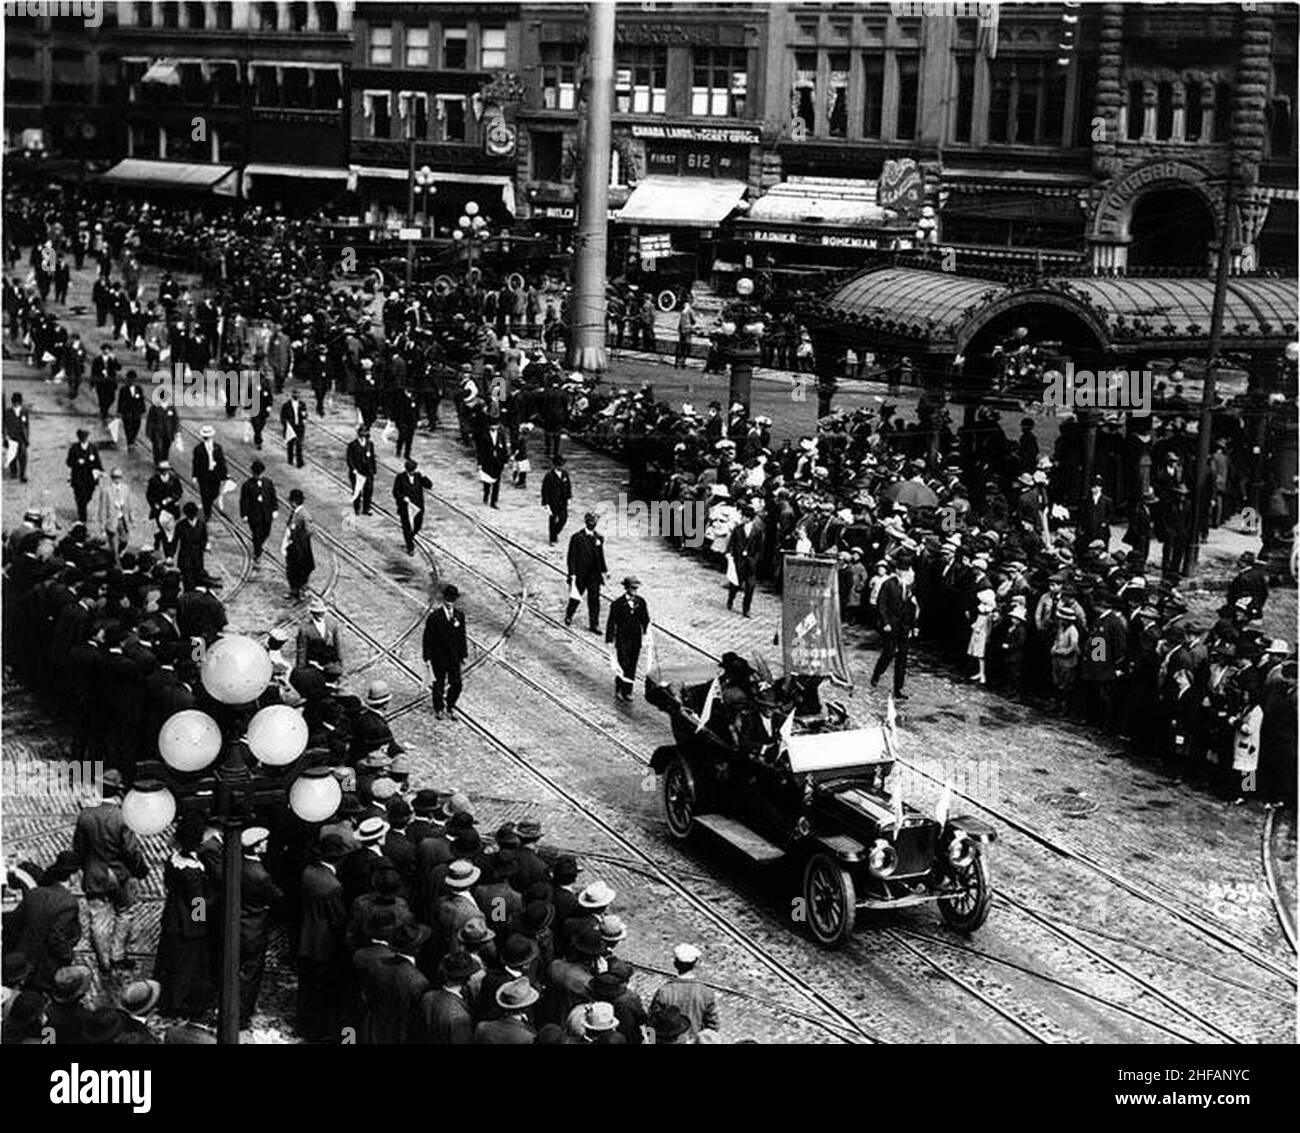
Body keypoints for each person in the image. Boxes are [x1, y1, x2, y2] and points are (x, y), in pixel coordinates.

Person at [72, 770, 148, 976]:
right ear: (118, 791)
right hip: (118, 874)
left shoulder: (85, 815)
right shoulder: (122, 816)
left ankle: (103, 961)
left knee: (97, 918)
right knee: (125, 912)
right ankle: (117, 955)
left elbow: (77, 851)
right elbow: (131, 850)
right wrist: (141, 869)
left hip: (94, 874)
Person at [154, 814, 212, 1019]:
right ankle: (178, 1003)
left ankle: (166, 998)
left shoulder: (173, 861)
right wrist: (202, 923)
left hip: (172, 916)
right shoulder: (192, 871)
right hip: (187, 925)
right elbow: (198, 904)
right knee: (185, 965)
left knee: (170, 961)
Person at [296, 834, 349, 1043]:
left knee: (306, 986)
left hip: (306, 937)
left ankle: (303, 1024)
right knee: (321, 989)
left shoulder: (308, 872)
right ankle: (317, 1030)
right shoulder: (333, 886)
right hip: (323, 944)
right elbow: (338, 919)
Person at [6, 850, 81, 991]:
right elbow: (57, 938)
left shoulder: (34, 893)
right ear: (73, 876)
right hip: (46, 965)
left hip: (23, 957)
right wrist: (68, 956)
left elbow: (14, 925)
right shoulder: (68, 903)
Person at [238, 826, 283, 1029]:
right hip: (255, 927)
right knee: (251, 973)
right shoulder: (260, 875)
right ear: (256, 847)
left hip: (238, 923)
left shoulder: (236, 865)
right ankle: (242, 1014)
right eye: (263, 842)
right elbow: (277, 896)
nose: (266, 844)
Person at [871, 549, 919, 700]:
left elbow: (915, 607)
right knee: (889, 653)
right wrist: (885, 622)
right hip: (890, 625)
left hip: (905, 626)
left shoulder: (911, 586)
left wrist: (915, 625)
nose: (906, 573)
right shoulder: (888, 584)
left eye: (908, 570)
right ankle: (877, 673)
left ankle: (898, 688)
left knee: (902, 658)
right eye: (903, 570)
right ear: (897, 570)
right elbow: (881, 605)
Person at [650, 943, 718, 1040]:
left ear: (675, 964)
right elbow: (713, 1026)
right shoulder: (706, 993)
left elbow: (652, 1022)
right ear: (696, 964)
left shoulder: (664, 991)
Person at [424, 584, 467, 720]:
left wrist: (463, 653)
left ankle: (450, 705)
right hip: (439, 657)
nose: (450, 601)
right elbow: (428, 637)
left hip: (454, 657)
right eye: (448, 598)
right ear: (443, 599)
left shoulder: (459, 616)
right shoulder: (435, 617)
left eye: (453, 599)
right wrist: (427, 656)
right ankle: (439, 709)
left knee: (457, 684)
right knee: (438, 685)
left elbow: (462, 635)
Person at [605, 576, 650, 701]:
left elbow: (645, 620)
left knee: (632, 665)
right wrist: (609, 640)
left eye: (636, 588)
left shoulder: (641, 602)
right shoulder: (618, 604)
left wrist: (646, 635)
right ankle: (619, 689)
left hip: (636, 639)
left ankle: (628, 691)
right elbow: (611, 623)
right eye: (632, 588)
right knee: (622, 664)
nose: (635, 590)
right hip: (622, 639)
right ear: (626, 588)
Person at [565, 510, 607, 632]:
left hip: (594, 575)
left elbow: (600, 556)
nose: (592, 524)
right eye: (590, 522)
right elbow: (571, 557)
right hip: (580, 574)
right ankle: (569, 615)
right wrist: (572, 574)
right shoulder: (577, 538)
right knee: (576, 597)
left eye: (594, 522)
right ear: (586, 522)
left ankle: (594, 625)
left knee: (594, 600)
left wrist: (604, 571)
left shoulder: (599, 537)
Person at [725, 502, 765, 616]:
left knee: (750, 587)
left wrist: (755, 560)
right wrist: (729, 553)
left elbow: (760, 548)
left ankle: (746, 609)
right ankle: (730, 599)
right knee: (735, 584)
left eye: (743, 516)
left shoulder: (757, 531)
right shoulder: (737, 529)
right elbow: (732, 543)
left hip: (751, 562)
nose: (742, 518)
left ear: (748, 518)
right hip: (739, 561)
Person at [239, 459, 278, 561]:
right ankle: (258, 553)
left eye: (260, 473)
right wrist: (244, 515)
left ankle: (259, 545)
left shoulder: (268, 482)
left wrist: (275, 509)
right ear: (252, 473)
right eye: (256, 474)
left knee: (266, 532)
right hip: (254, 515)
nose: (258, 476)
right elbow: (244, 501)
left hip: (266, 514)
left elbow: (273, 496)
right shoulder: (247, 485)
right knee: (256, 535)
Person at [95, 466, 136, 563]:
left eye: (119, 477)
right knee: (113, 545)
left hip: (123, 519)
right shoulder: (106, 490)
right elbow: (103, 508)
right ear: (111, 477)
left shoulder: (126, 488)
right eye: (115, 477)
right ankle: (116, 562)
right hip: (112, 520)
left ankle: (119, 553)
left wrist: (132, 519)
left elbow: (129, 505)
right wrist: (102, 525)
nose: (117, 479)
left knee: (124, 540)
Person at [393, 458, 432, 556]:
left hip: (417, 507)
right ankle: (410, 547)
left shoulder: (418, 476)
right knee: (407, 528)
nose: (412, 472)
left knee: (417, 526)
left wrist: (425, 477)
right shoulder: (400, 477)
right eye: (410, 471)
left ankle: (409, 538)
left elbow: (429, 485)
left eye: (413, 470)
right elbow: (395, 491)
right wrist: (403, 498)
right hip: (405, 508)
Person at [283, 488, 316, 603]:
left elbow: (310, 531)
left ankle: (300, 592)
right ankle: (294, 591)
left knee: (299, 570)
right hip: (293, 546)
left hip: (300, 548)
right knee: (291, 570)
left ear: (293, 502)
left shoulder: (304, 514)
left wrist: (299, 537)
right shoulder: (296, 512)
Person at [191, 424, 228, 519]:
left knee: (215, 492)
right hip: (203, 475)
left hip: (215, 474)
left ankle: (208, 503)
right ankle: (207, 513)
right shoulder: (198, 449)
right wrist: (194, 476)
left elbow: (221, 461)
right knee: (205, 493)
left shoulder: (217, 448)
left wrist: (224, 475)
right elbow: (196, 463)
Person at [66, 428, 103, 523]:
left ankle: (83, 507)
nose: (85, 438)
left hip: (90, 478)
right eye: (83, 436)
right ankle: (82, 516)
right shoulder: (74, 448)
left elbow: (97, 462)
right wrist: (76, 462)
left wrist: (101, 471)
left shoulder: (92, 448)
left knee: (88, 496)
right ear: (79, 438)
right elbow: (69, 462)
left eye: (86, 436)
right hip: (78, 477)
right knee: (80, 496)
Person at [296, 596, 342, 668]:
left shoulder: (332, 624)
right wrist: (300, 669)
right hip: (313, 664)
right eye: (317, 613)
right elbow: (302, 651)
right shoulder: (305, 629)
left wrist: (340, 663)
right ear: (312, 613)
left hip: (329, 662)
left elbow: (337, 645)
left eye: (322, 612)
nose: (320, 615)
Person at [477, 413, 509, 509]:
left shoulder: (501, 433)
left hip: (498, 461)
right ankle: (486, 493)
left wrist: (505, 461)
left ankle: (494, 501)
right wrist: (479, 463)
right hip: (487, 460)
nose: (495, 427)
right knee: (487, 479)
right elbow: (480, 450)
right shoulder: (484, 434)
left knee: (497, 481)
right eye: (493, 425)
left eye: (496, 425)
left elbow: (504, 447)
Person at [345, 425, 377, 516]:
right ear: (358, 433)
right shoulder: (352, 445)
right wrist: (353, 469)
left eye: (365, 432)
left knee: (369, 490)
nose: (364, 434)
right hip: (357, 472)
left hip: (368, 472)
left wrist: (373, 470)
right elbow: (349, 458)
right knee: (357, 491)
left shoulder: (370, 444)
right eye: (362, 432)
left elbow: (372, 458)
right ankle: (357, 508)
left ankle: (366, 508)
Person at [145, 387, 180, 465]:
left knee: (166, 447)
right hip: (157, 432)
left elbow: (175, 419)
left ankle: (164, 460)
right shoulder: (154, 407)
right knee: (157, 447)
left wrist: (176, 430)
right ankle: (157, 461)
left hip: (168, 432)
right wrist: (149, 432)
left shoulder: (171, 408)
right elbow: (150, 420)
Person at [116, 371, 148, 451]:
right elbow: (120, 401)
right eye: (130, 379)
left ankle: (132, 439)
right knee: (127, 427)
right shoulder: (123, 389)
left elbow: (141, 399)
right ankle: (129, 442)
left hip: (136, 412)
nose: (131, 381)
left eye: (133, 379)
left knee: (136, 426)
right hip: (127, 412)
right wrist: (119, 411)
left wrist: (143, 409)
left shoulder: (139, 389)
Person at [4, 391, 30, 482]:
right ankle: (13, 472)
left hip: (22, 436)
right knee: (12, 455)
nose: (16, 404)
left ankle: (23, 474)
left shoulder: (24, 411)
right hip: (12, 436)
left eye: (18, 402)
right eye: (14, 402)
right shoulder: (8, 412)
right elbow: (5, 425)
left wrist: (27, 437)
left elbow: (27, 425)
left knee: (23, 455)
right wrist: (5, 436)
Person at [281, 387, 307, 468]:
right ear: (292, 395)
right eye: (294, 393)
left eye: (297, 394)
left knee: (299, 445)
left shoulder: (302, 404)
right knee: (290, 444)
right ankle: (290, 460)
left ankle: (300, 462)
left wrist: (304, 416)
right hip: (290, 427)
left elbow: (305, 414)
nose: (296, 395)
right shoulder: (286, 405)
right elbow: (282, 417)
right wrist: (286, 425)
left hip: (299, 427)